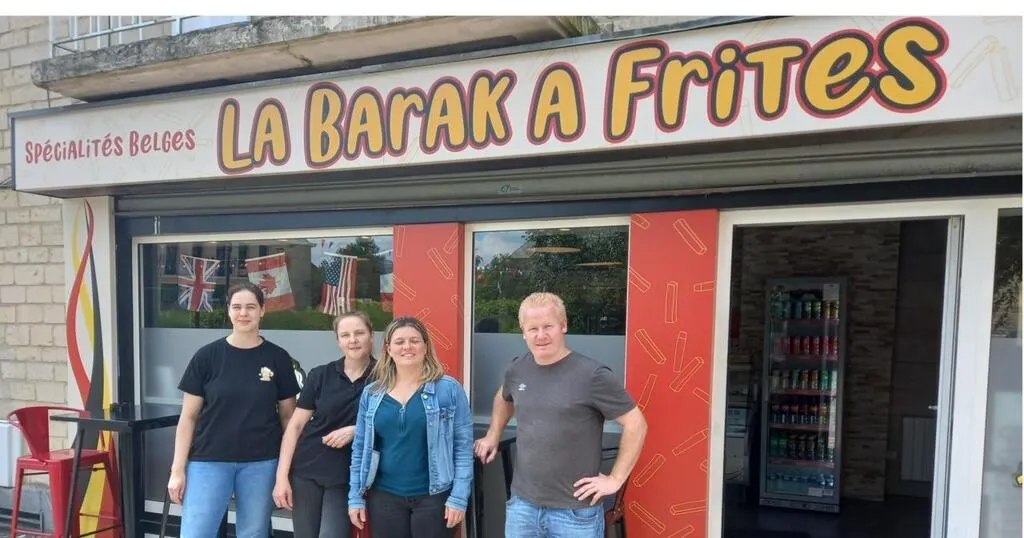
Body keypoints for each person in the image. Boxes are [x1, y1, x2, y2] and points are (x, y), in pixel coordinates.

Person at [474, 292, 648, 537]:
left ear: (563, 326)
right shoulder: (517, 369)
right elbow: (504, 397)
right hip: (523, 507)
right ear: (523, 331)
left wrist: (616, 479)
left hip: (575, 513)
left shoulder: (593, 375)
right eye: (533, 328)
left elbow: (636, 424)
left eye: (548, 326)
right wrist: (493, 434)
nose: (541, 335)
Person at [167, 281, 301, 538]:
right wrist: (177, 470)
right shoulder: (206, 357)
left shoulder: (278, 358)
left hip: (261, 462)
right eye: (237, 307)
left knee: (254, 533)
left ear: (262, 310)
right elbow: (188, 418)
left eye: (251, 307)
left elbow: (289, 418)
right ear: (228, 310)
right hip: (209, 460)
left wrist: (288, 468)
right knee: (197, 532)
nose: (244, 313)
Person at [347, 316, 473, 538]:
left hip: (434, 498)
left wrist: (459, 497)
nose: (407, 347)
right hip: (384, 497)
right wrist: (355, 496)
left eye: (415, 340)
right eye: (399, 341)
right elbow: (360, 448)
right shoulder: (372, 393)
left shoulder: (448, 389)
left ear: (425, 346)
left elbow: (463, 448)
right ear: (388, 348)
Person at [273, 311, 378, 538]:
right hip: (308, 469)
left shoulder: (386, 377)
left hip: (347, 476)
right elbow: (295, 426)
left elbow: (397, 423)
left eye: (359, 333)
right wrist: (282, 477)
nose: (353, 340)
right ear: (338, 340)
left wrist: (357, 430)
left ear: (371, 335)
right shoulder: (320, 374)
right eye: (346, 335)